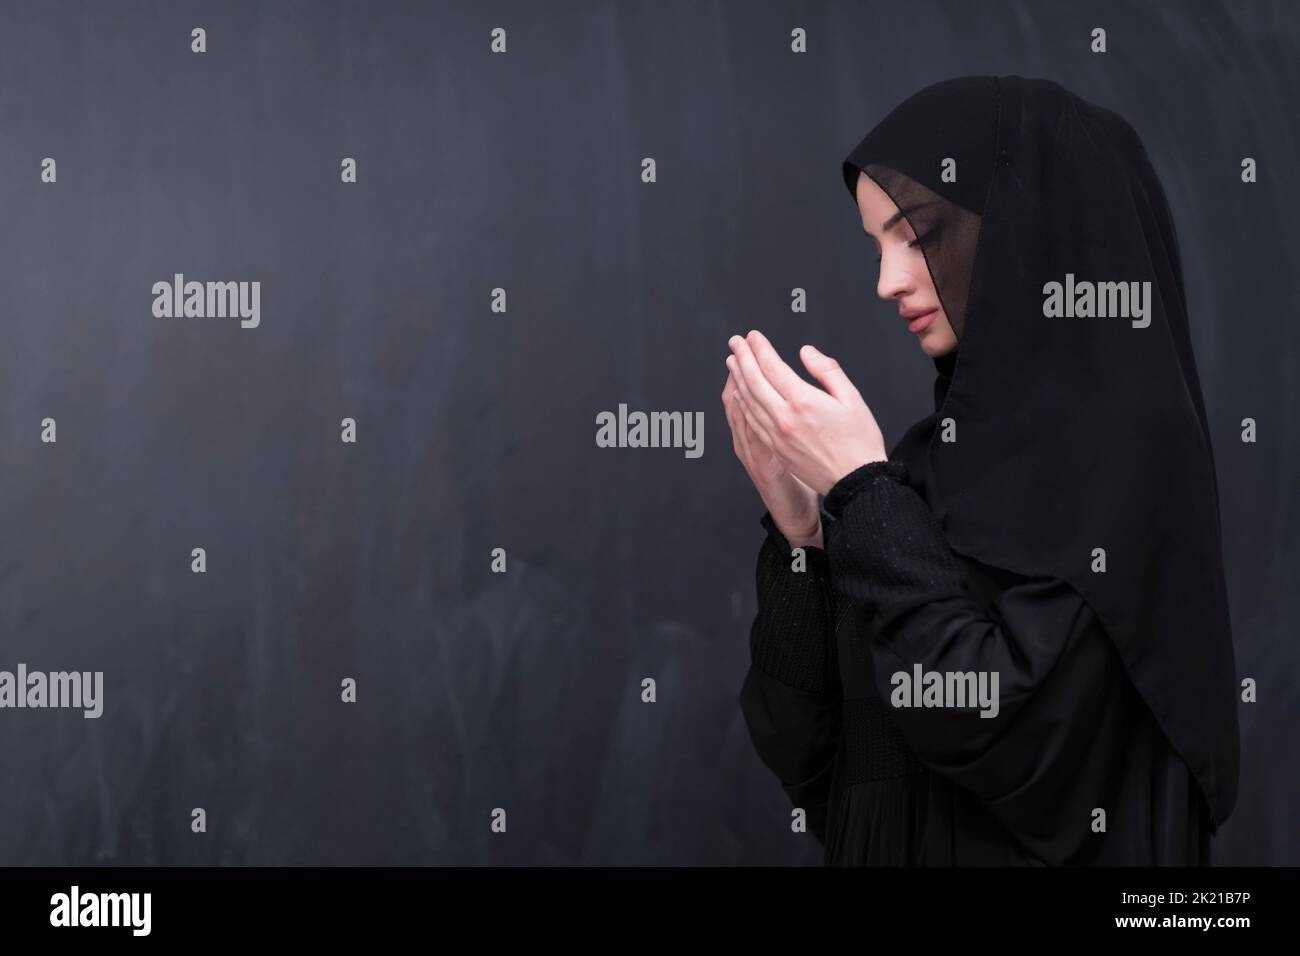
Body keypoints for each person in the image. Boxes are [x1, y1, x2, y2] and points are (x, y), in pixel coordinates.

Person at [722, 75, 1240, 865]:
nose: (887, 281)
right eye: (876, 246)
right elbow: (820, 765)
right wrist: (804, 539)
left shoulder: (1124, 450)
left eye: (915, 234)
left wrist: (863, 494)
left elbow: (1001, 722)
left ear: (1025, 229)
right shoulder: (917, 471)